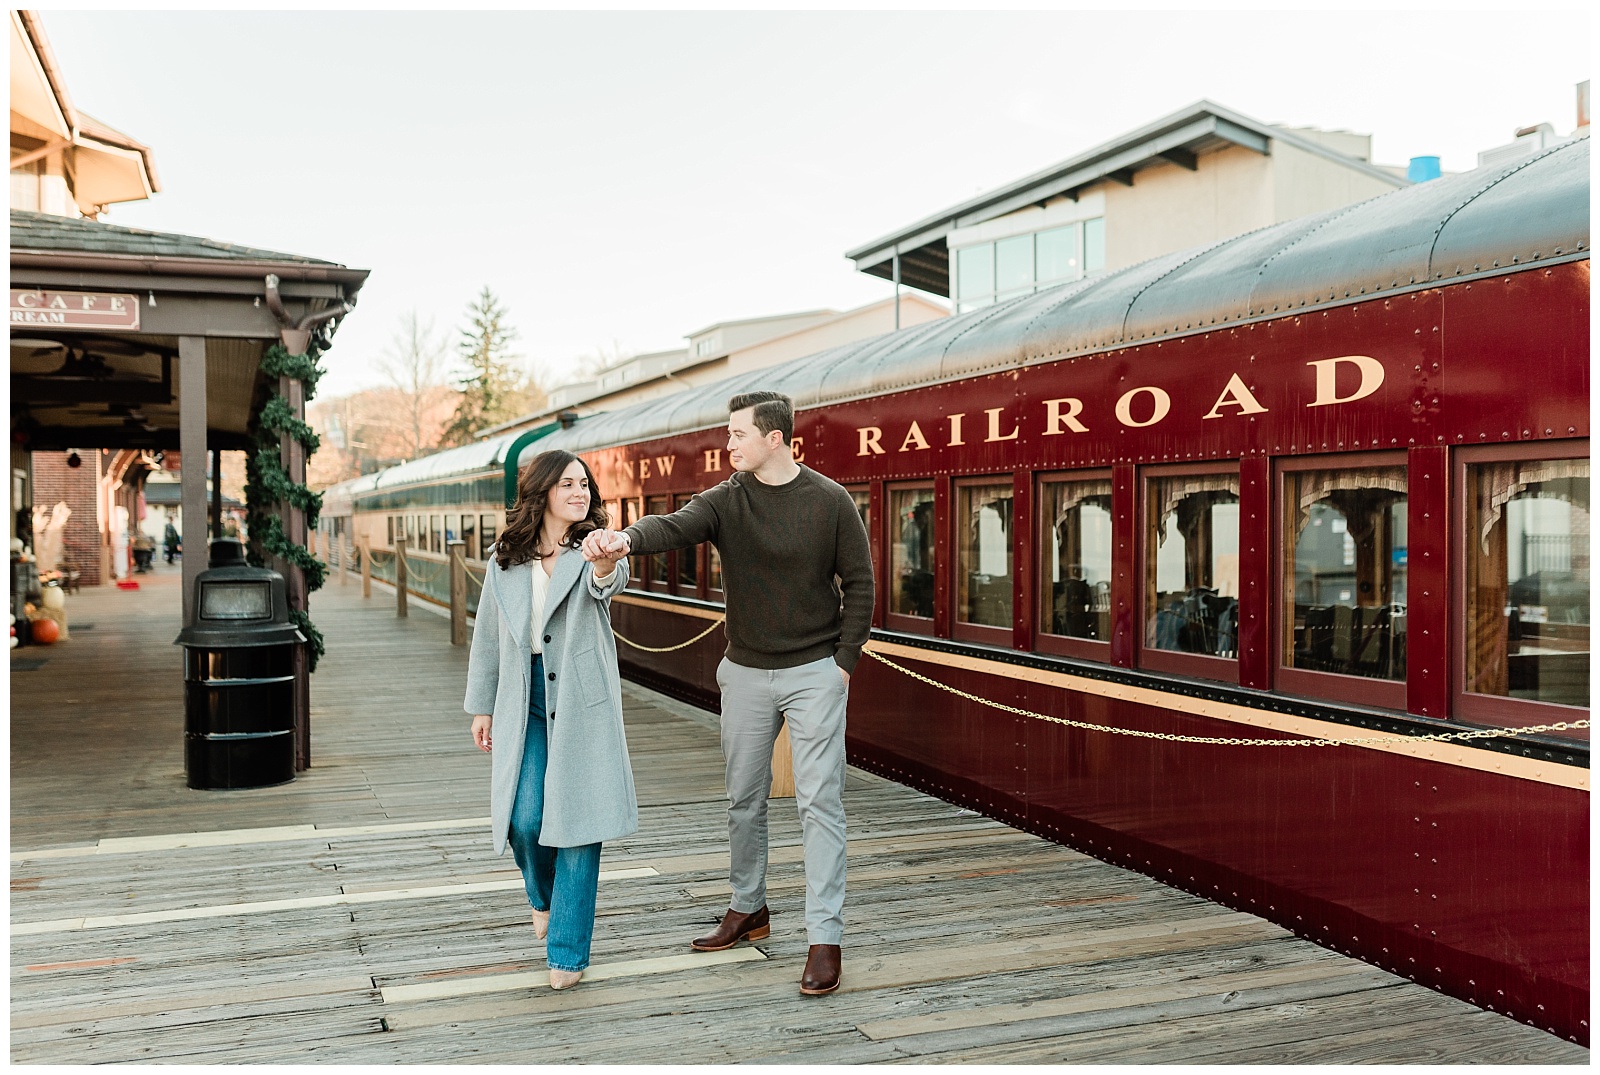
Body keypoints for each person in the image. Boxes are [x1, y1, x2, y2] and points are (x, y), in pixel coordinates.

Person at [581, 390, 873, 996]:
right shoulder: (727, 499)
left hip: (815, 671)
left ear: (775, 439)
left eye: (738, 434)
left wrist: (841, 664)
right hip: (744, 672)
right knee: (744, 798)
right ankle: (749, 908)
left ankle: (825, 939)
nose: (728, 444)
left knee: (821, 805)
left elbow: (862, 585)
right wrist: (623, 542)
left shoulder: (830, 501)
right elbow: (675, 525)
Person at [464, 449, 636, 991]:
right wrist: (482, 705)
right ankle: (540, 896)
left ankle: (567, 952)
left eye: (584, 484)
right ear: (542, 493)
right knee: (525, 818)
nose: (579, 493)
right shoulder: (505, 559)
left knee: (580, 827)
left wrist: (606, 561)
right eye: (567, 484)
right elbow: (489, 634)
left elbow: (609, 581)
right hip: (525, 697)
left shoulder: (594, 549)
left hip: (582, 702)